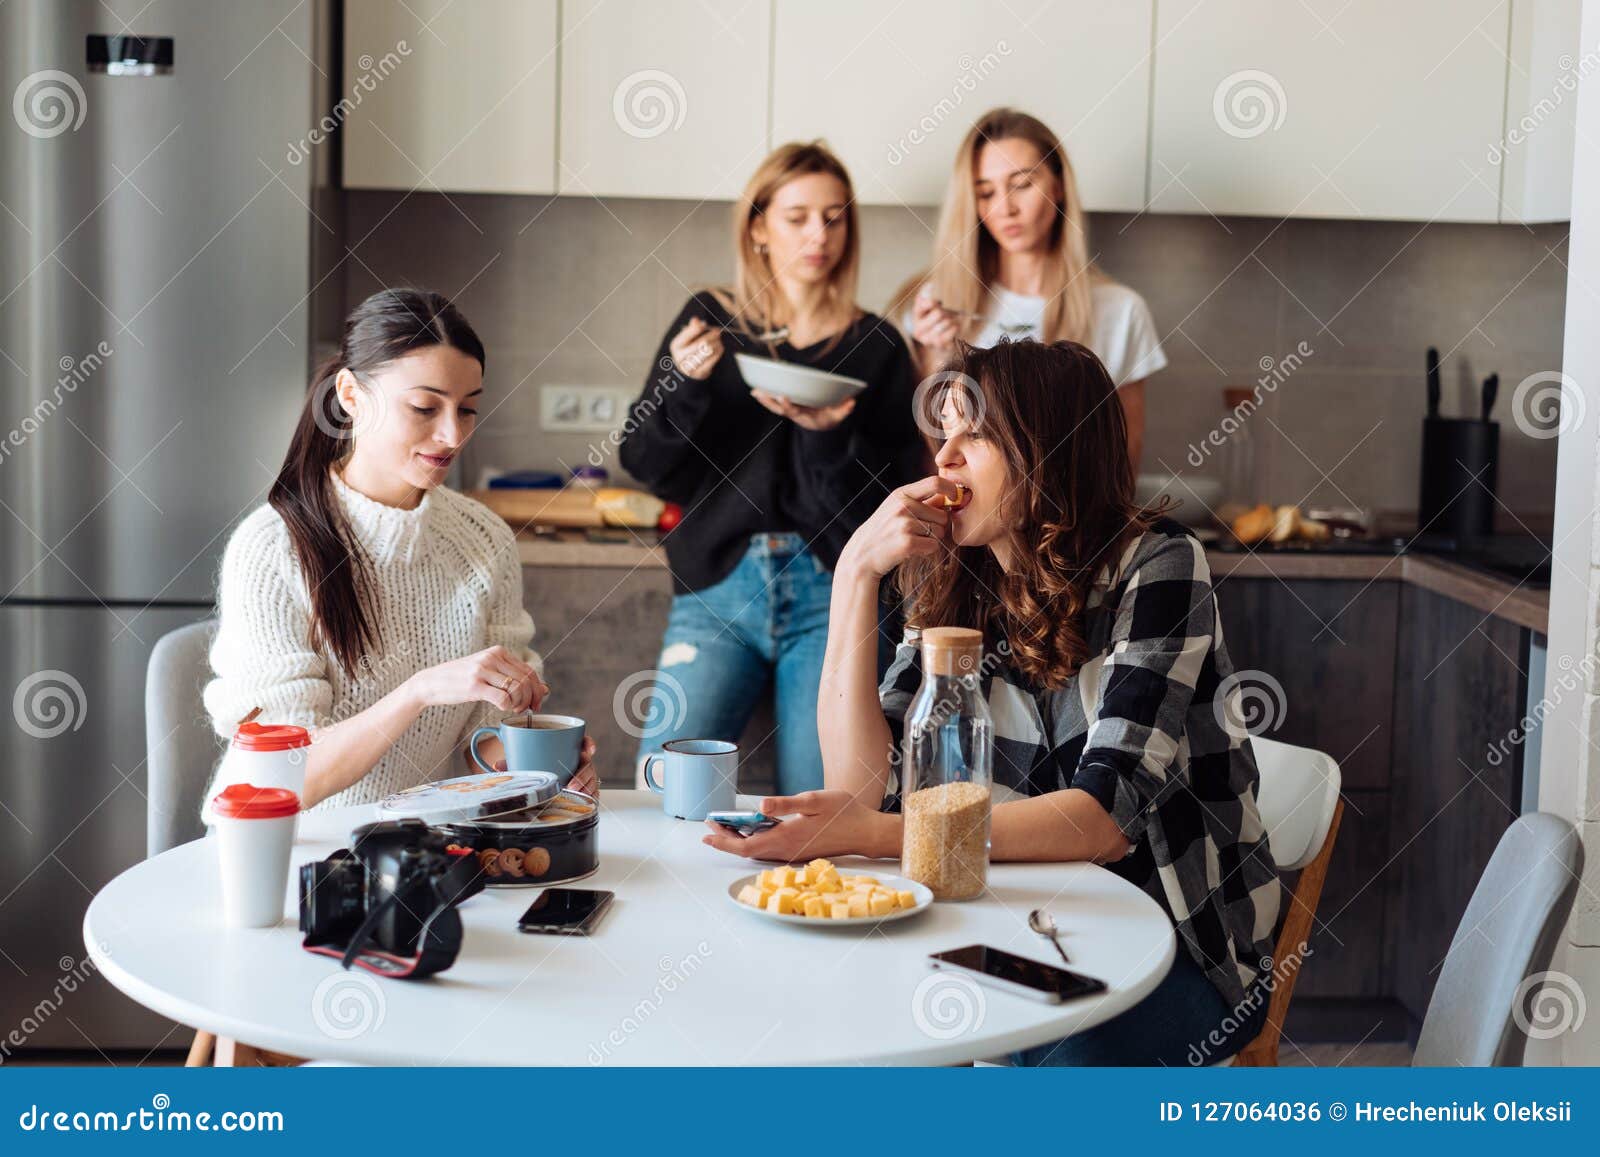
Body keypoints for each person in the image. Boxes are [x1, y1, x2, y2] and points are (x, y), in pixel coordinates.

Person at [702, 339, 1279, 1066]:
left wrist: (875, 834)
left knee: (1050, 1064)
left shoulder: (1158, 565)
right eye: (943, 433)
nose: (945, 458)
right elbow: (860, 782)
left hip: (1173, 946)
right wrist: (855, 571)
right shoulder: (955, 579)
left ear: (1049, 449)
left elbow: (1100, 821)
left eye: (974, 434)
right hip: (1010, 920)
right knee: (854, 1027)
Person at [203, 288, 597, 809]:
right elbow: (285, 777)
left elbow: (487, 741)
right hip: (282, 851)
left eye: (469, 409)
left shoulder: (484, 540)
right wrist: (420, 690)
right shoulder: (271, 549)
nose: (452, 434)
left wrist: (545, 766)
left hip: (420, 849)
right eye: (423, 407)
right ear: (350, 394)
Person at [619, 142, 922, 795]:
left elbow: (895, 500)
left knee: (834, 804)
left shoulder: (878, 346)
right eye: (798, 217)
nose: (820, 234)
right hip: (717, 588)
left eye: (835, 217)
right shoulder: (710, 321)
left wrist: (830, 435)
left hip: (834, 590)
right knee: (663, 792)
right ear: (757, 225)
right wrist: (687, 385)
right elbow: (644, 462)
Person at [896, 107, 1167, 464]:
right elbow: (926, 454)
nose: (1005, 208)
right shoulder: (939, 303)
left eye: (1022, 184)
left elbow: (1124, 458)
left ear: (1058, 185)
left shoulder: (1120, 311)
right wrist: (934, 358)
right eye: (986, 192)